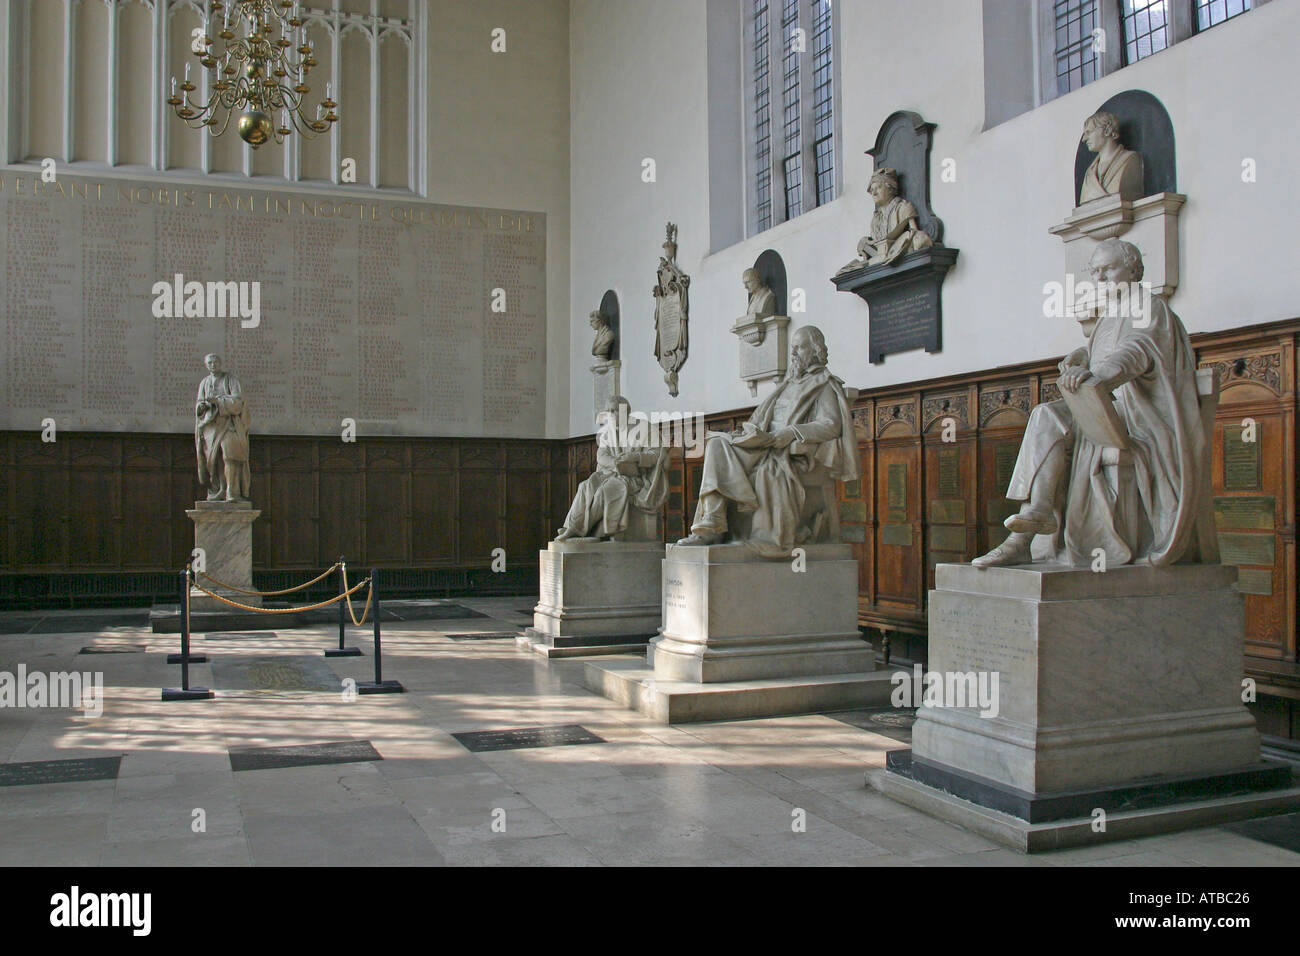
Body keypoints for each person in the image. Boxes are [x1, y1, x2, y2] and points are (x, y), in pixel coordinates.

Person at [973, 239, 1213, 569]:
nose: (1100, 279)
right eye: (1095, 272)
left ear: (1134, 270)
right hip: (1104, 409)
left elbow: (1136, 351)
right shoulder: (1111, 314)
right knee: (1045, 414)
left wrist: (1098, 375)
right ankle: (1030, 524)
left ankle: (1029, 527)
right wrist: (1082, 356)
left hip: (1141, 420)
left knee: (1061, 420)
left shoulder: (1149, 306)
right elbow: (1105, 350)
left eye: (1108, 270)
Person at [677, 325, 858, 557]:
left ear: (815, 351)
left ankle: (759, 531)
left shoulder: (823, 385)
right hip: (764, 444)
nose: (793, 354)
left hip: (788, 451)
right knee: (717, 445)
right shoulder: (787, 384)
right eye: (791, 348)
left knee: (767, 473)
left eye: (799, 348)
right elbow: (762, 418)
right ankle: (712, 522)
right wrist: (749, 435)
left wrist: (792, 433)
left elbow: (831, 424)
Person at [556, 396, 668, 541]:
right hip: (612, 473)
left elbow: (657, 454)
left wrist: (635, 457)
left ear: (625, 411)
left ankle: (581, 530)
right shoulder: (607, 433)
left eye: (614, 410)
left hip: (637, 478)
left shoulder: (644, 428)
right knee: (585, 486)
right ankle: (572, 527)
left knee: (607, 490)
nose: (610, 414)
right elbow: (601, 455)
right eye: (608, 411)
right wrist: (616, 463)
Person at [838, 167, 933, 272]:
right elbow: (876, 241)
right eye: (872, 190)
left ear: (889, 188)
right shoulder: (876, 219)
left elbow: (914, 232)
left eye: (878, 188)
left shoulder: (904, 208)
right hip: (883, 253)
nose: (874, 193)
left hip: (896, 248)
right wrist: (867, 243)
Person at [195, 353, 252, 502]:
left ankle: (232, 491)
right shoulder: (205, 383)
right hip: (211, 427)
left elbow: (239, 401)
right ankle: (219, 489)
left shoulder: (231, 380)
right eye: (210, 363)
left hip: (229, 424)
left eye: (215, 362)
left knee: (230, 455)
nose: (213, 365)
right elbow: (199, 406)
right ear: (206, 365)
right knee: (214, 459)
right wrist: (202, 406)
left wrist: (218, 401)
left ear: (220, 363)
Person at [1078, 111, 1143, 204]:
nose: (1084, 139)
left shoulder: (1130, 159)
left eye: (1089, 132)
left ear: (1107, 130)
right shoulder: (1089, 174)